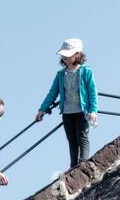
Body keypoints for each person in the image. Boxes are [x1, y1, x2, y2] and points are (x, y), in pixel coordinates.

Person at [35, 38, 98, 168]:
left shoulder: (86, 71)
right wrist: (42, 109)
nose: (65, 58)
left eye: (68, 55)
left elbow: (92, 91)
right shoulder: (61, 74)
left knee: (82, 137)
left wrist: (93, 110)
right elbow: (53, 93)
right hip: (67, 112)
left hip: (82, 111)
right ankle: (73, 165)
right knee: (71, 139)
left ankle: (83, 162)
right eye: (64, 56)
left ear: (77, 55)